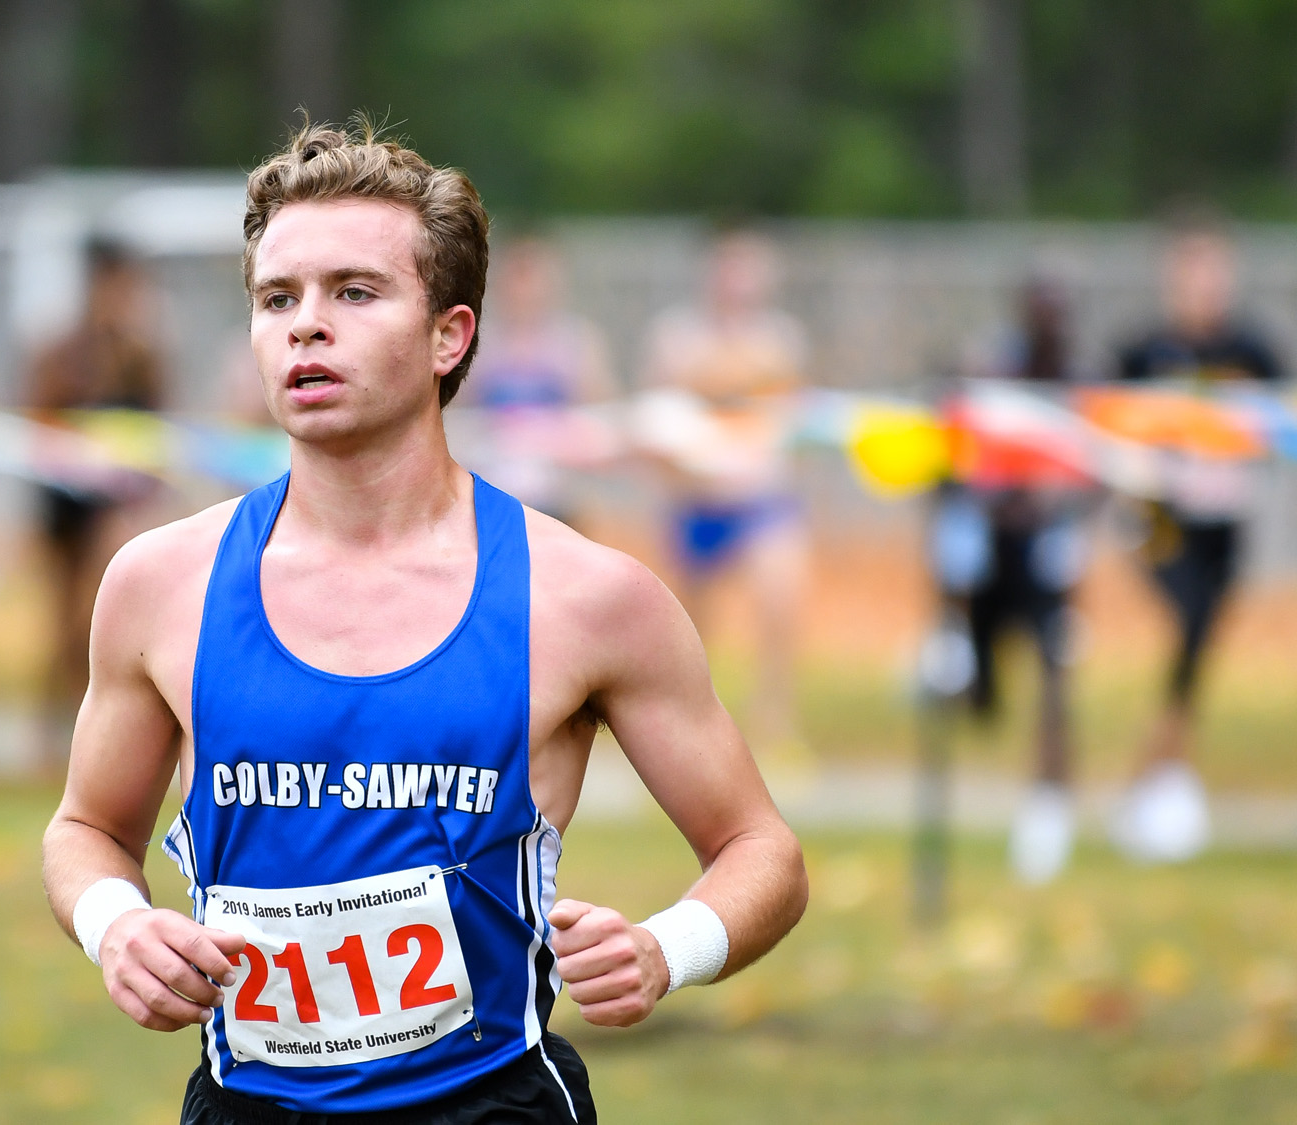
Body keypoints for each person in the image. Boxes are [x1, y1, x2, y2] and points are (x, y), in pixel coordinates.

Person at [41, 122, 807, 1124]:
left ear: (449, 335)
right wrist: (116, 924)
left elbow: (761, 850)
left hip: (489, 1108)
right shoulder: (159, 584)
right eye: (278, 298)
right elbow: (87, 829)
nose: (307, 327)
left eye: (354, 293)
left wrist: (668, 948)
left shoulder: (584, 597)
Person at [1110, 216, 1283, 863]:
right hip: (1162, 521)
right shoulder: (1145, 351)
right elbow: (1107, 425)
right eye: (1194, 272)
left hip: (1224, 525)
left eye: (1216, 271)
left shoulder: (1252, 352)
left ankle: (1154, 782)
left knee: (1195, 652)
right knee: (1188, 631)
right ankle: (1162, 783)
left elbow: (1283, 426)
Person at [639, 229, 810, 758]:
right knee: (691, 636)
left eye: (748, 268)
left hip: (760, 503)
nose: (738, 281)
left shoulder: (782, 339)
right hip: (697, 505)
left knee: (779, 602)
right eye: (729, 267)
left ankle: (774, 724)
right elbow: (657, 417)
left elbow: (793, 419)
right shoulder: (676, 338)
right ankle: (692, 739)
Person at [949, 276, 1097, 884]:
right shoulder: (997, 373)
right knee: (983, 691)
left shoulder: (1081, 384)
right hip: (993, 551)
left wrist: (1058, 504)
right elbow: (961, 461)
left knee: (1055, 675)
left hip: (1049, 554)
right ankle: (961, 659)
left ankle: (1049, 805)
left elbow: (1098, 472)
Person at [22, 240, 165, 764]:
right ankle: (50, 733)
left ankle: (85, 739)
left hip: (113, 505)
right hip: (64, 503)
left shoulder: (140, 358)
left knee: (94, 620)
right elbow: (39, 424)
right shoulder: (62, 354)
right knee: (64, 622)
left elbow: (155, 431)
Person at [456, 238, 614, 517]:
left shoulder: (577, 342)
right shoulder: (476, 342)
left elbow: (602, 416)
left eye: (533, 276)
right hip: (493, 487)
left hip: (559, 488)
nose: (525, 289)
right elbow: (458, 420)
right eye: (518, 276)